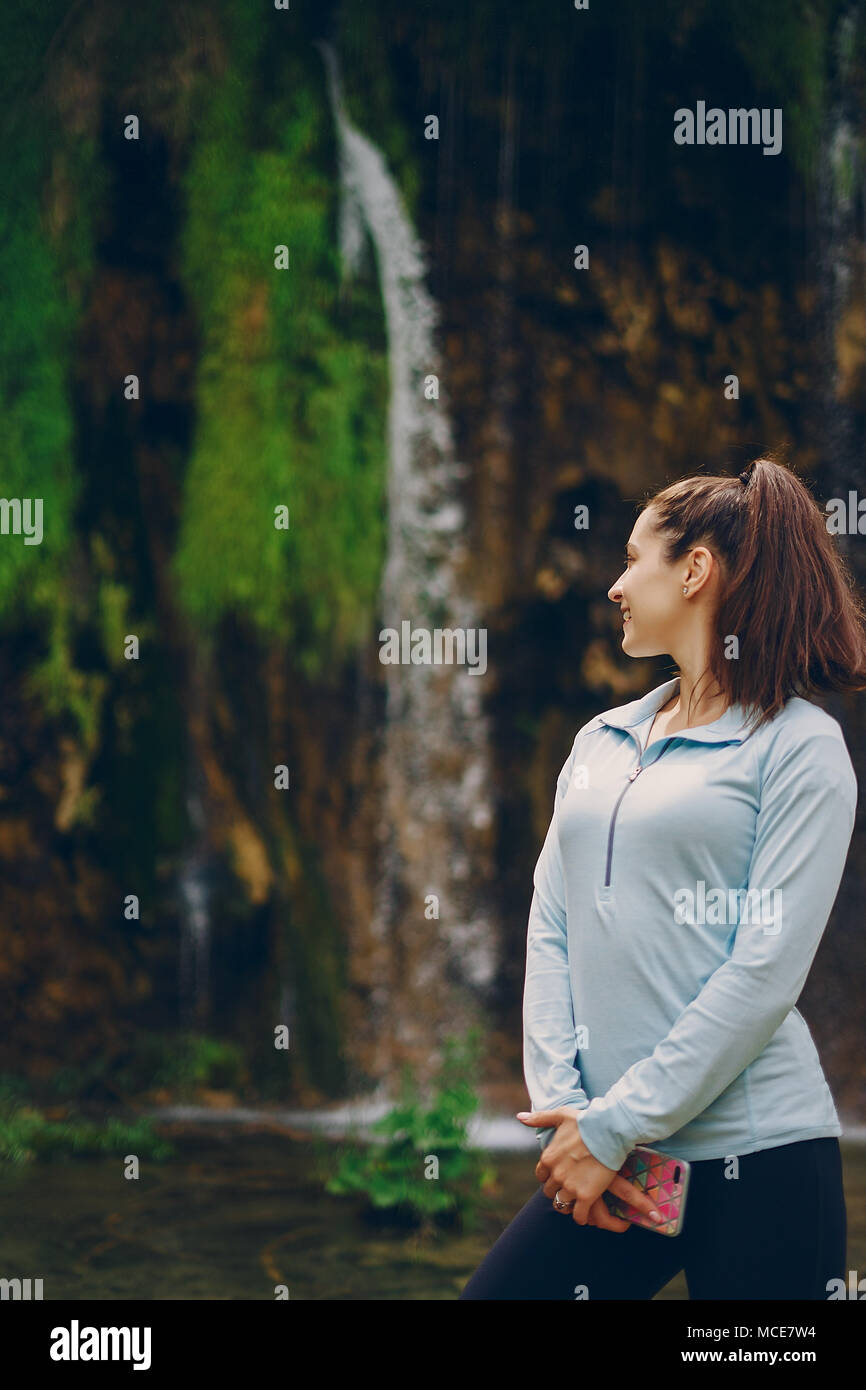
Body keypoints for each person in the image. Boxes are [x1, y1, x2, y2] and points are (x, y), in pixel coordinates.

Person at [460, 456, 866, 1300]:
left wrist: (613, 1125)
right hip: (617, 1158)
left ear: (694, 570)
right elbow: (552, 923)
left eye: (632, 559)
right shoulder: (600, 739)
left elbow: (763, 973)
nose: (614, 586)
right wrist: (567, 1116)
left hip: (762, 1156)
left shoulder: (799, 748)